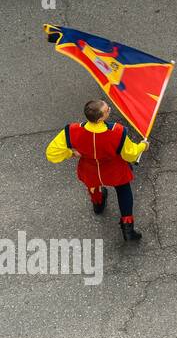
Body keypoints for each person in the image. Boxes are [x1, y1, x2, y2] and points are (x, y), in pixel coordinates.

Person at [45, 100, 147, 242]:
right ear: (100, 119)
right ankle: (127, 229)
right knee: (123, 191)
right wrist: (142, 146)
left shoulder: (72, 130)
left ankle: (98, 205)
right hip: (114, 170)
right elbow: (129, 154)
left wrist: (71, 153)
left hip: (90, 170)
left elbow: (52, 153)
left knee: (93, 185)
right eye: (107, 110)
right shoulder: (117, 131)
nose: (109, 109)